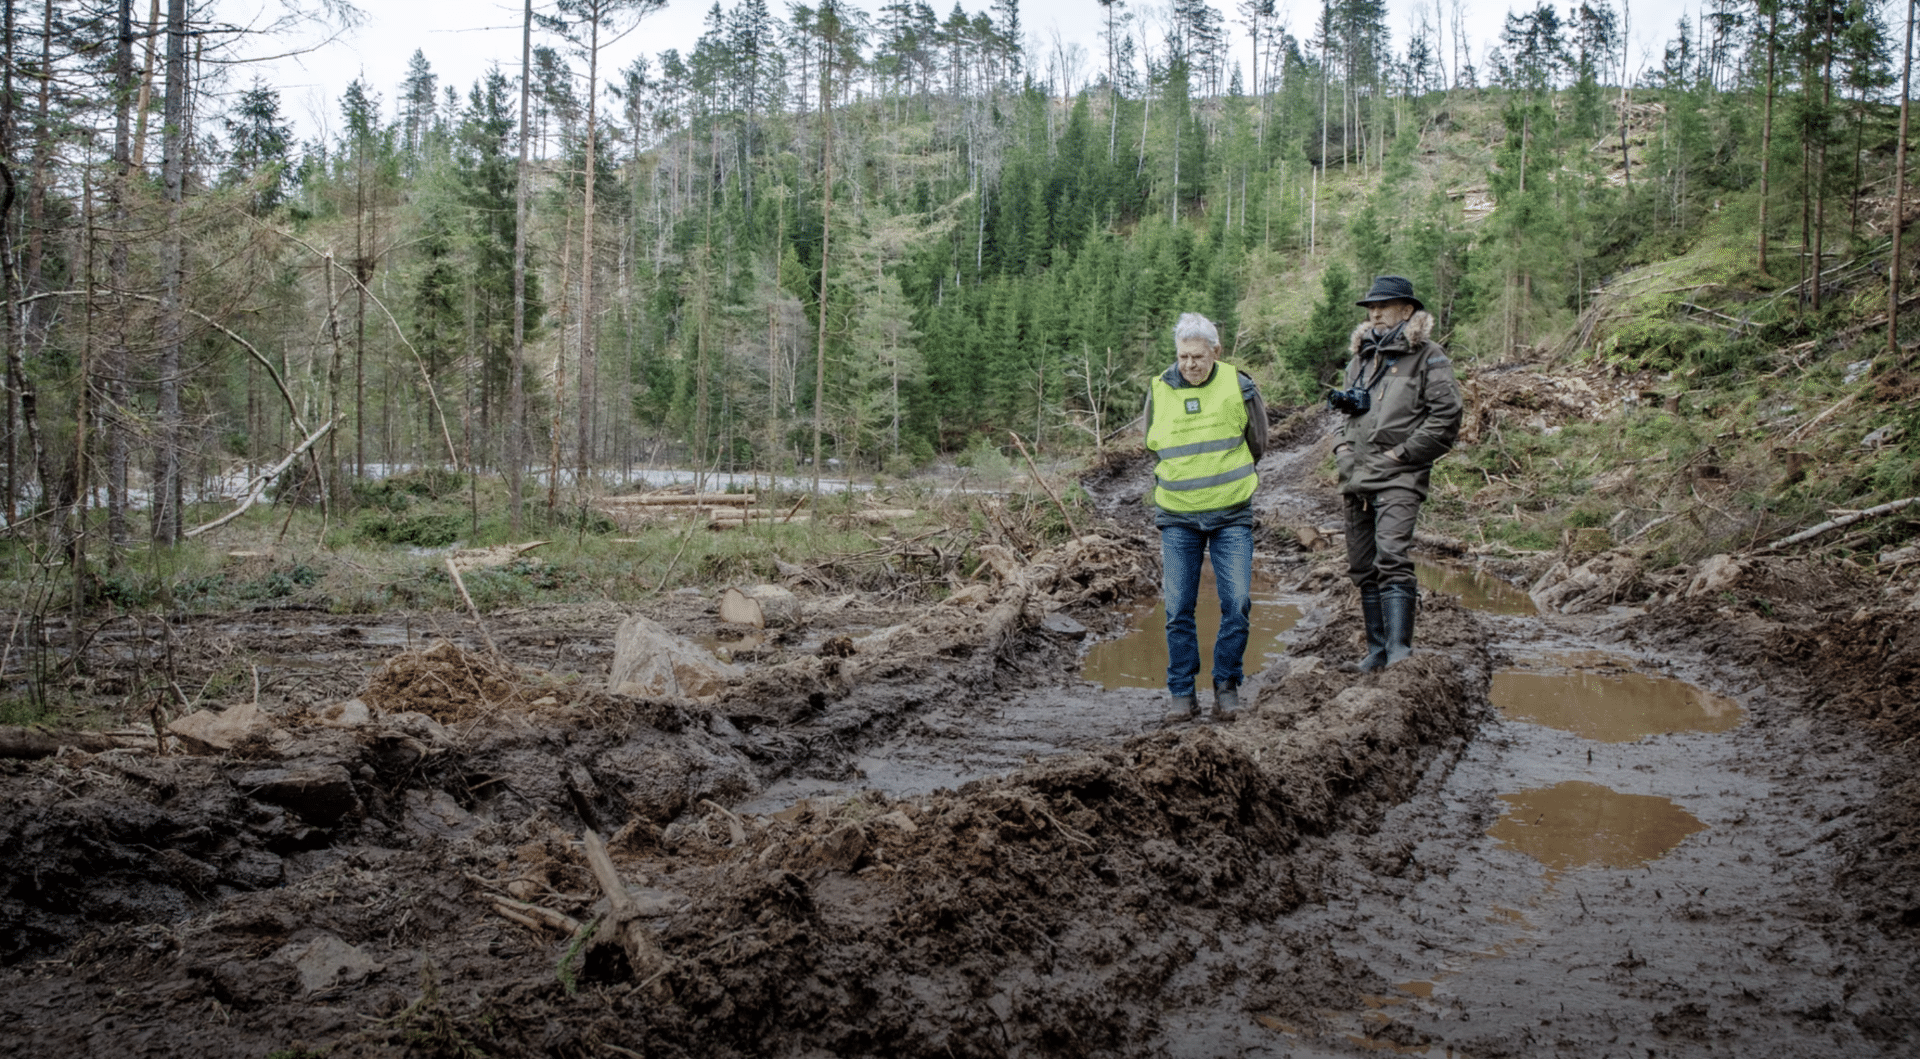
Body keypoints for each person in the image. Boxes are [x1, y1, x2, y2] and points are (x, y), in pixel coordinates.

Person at [1331, 276, 1463, 670]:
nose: (1375, 314)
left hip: (1399, 476)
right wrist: (1340, 448)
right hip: (1356, 477)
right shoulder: (1360, 358)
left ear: (1407, 311)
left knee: (1392, 558)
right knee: (1361, 565)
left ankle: (1400, 652)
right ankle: (1376, 650)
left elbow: (1447, 415)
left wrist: (1401, 454)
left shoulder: (1428, 356)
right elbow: (1343, 416)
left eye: (1384, 306)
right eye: (1371, 308)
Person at [1143, 312, 1268, 724]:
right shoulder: (1159, 389)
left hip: (1232, 514)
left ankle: (1226, 686)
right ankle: (1182, 692)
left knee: (1237, 603)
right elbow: (1153, 442)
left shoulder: (1240, 384)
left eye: (1198, 356)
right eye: (1183, 356)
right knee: (1179, 607)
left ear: (1216, 352)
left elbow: (1258, 442)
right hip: (1178, 517)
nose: (1190, 364)